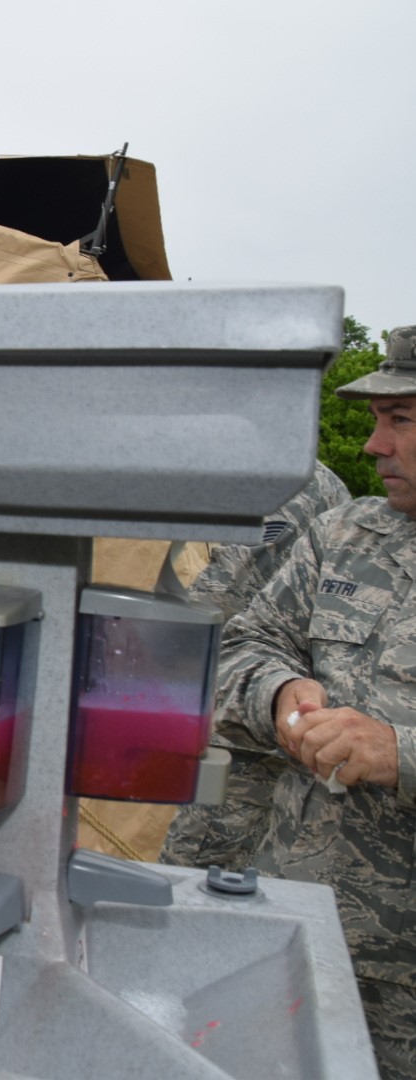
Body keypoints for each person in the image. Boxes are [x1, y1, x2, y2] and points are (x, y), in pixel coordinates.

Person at [217, 324, 416, 1079]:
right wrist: (279, 691)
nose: (372, 445)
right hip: (291, 929)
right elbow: (245, 644)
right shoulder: (347, 533)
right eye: (375, 419)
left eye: (399, 419)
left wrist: (399, 753)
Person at [158, 460, 350, 870]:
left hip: (240, 748)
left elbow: (214, 606)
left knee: (195, 889)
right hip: (165, 720)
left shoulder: (299, 487)